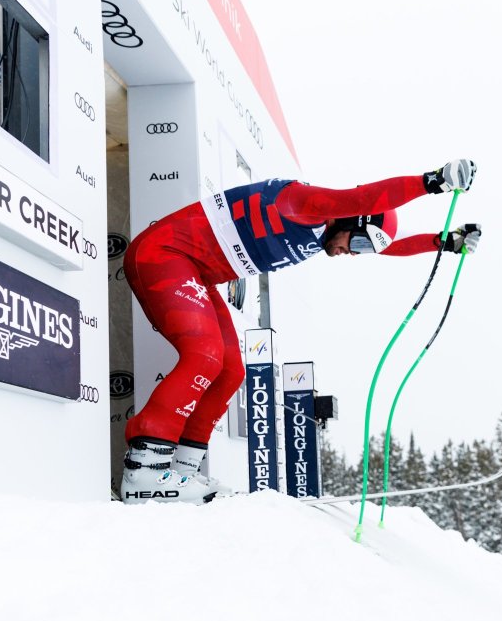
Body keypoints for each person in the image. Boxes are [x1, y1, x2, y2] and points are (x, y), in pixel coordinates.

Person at [120, 160, 482, 504]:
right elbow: (362, 199)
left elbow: (394, 245)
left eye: (363, 250)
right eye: (356, 243)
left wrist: (443, 242)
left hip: (197, 271)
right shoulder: (304, 203)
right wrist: (433, 181)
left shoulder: (330, 231)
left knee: (231, 370)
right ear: (348, 220)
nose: (352, 254)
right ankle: (143, 470)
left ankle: (182, 468)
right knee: (206, 355)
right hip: (163, 254)